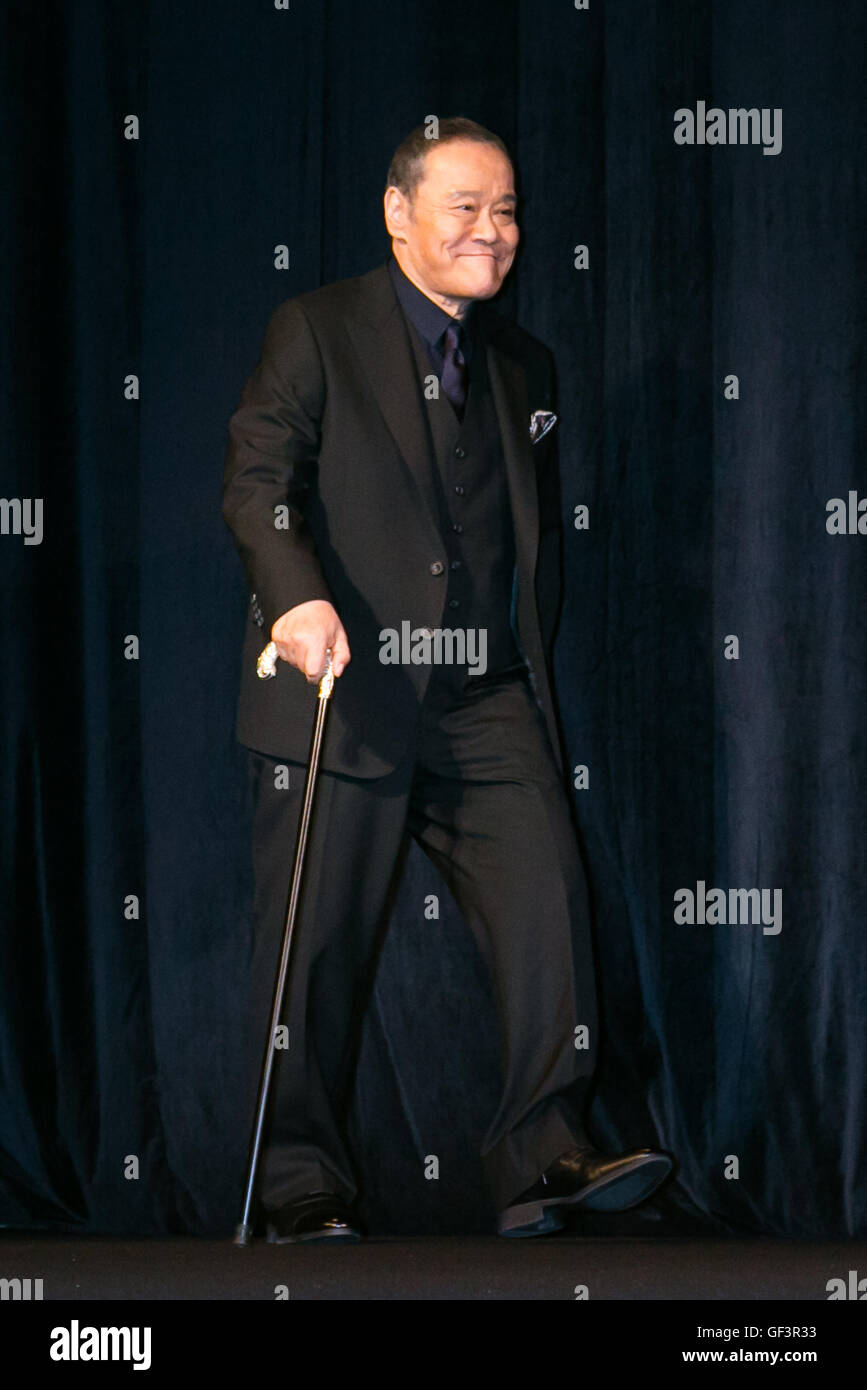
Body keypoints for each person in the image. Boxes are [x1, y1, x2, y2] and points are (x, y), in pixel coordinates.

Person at [222, 117, 675, 1242]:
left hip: (483, 698)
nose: (493, 229)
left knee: (546, 911)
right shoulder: (317, 328)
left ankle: (544, 1156)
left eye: (507, 209)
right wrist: (296, 596)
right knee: (314, 957)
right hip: (346, 691)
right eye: (467, 206)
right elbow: (257, 479)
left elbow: (526, 543)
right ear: (398, 213)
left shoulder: (523, 364)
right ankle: (298, 1187)